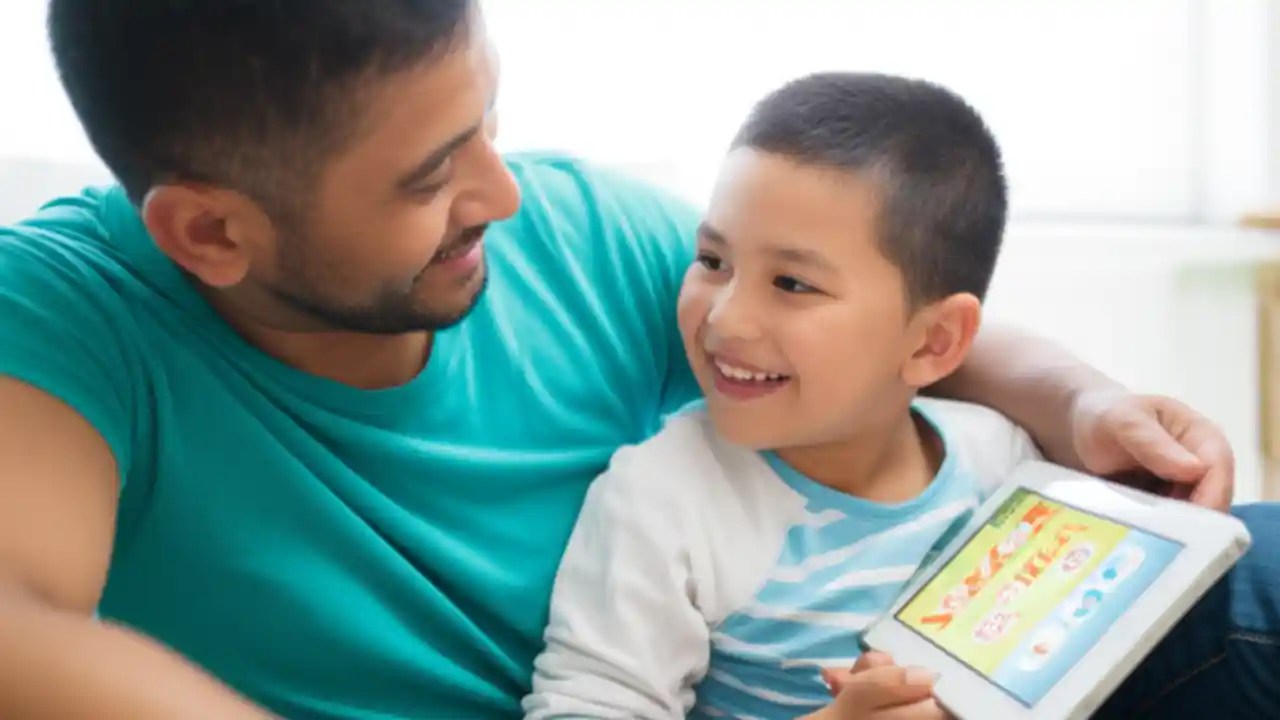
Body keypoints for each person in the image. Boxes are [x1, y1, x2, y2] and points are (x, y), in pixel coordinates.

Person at [0, 1, 1262, 718]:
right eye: (432, 174)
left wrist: (1083, 404)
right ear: (210, 231)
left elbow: (886, 330)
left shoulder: (574, 231)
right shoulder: (65, 319)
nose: (503, 190)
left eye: (485, 122)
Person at [524, 71, 1038, 719]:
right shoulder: (665, 497)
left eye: (791, 284)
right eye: (713, 262)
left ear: (933, 342)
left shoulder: (1007, 466)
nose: (725, 320)